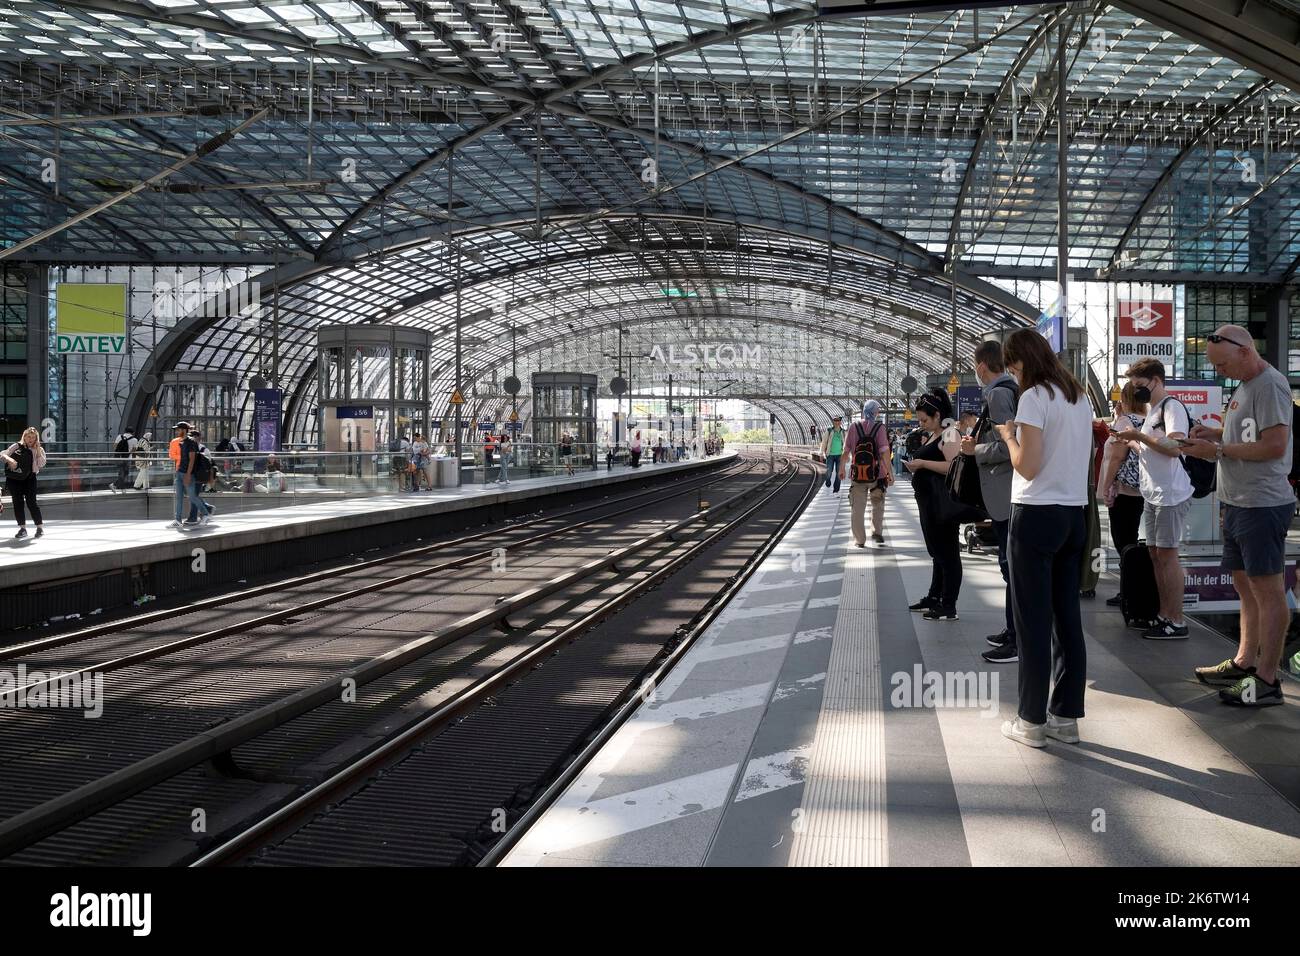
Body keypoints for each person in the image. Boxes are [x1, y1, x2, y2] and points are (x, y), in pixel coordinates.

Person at [1182, 325, 1293, 706]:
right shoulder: (1245, 386)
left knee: (1268, 591)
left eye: (1223, 364)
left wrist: (1216, 452)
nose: (1220, 372)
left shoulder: (1269, 384)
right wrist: (1215, 433)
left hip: (1262, 503)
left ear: (1245, 351)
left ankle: (1267, 679)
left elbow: (1275, 446)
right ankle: (1246, 661)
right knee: (1246, 587)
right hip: (1239, 502)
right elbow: (1249, 433)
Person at [995, 329, 1094, 748]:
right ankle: (1065, 717)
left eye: (1013, 367)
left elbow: (1028, 467)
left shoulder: (1034, 398)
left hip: (1036, 516)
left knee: (1032, 620)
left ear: (1022, 362)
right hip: (1075, 515)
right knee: (1067, 618)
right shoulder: (1079, 397)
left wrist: (1008, 437)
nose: (1013, 376)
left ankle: (1031, 721)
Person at [1114, 358, 1192, 639]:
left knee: (1168, 556)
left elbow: (1175, 446)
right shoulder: (1152, 410)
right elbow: (1152, 450)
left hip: (1170, 494)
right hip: (1153, 492)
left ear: (1156, 381)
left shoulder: (1171, 408)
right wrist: (1131, 441)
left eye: (1140, 385)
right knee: (1155, 554)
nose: (1137, 391)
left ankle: (1176, 619)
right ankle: (1163, 613)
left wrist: (1140, 437)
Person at [962, 340, 1022, 664]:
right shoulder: (1007, 390)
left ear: (982, 365)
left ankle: (1016, 639)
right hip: (1008, 492)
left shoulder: (999, 394)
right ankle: (1012, 629)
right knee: (1008, 566)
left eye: (976, 367)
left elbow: (1009, 447)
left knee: (1009, 566)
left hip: (1005, 492)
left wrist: (976, 451)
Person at [904, 389, 962, 621]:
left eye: (924, 419)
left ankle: (949, 605)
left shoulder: (949, 434)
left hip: (943, 505)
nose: (921, 424)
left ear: (937, 415)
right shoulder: (933, 435)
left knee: (948, 554)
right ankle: (934, 596)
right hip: (930, 504)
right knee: (938, 553)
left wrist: (923, 464)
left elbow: (953, 466)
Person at [1098, 383, 1147, 609]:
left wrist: (1107, 486)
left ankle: (1127, 591)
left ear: (1125, 399)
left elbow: (1117, 458)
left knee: (1122, 542)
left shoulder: (1124, 424)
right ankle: (1131, 590)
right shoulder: (1146, 420)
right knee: (1130, 537)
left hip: (1121, 489)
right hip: (1138, 489)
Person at [843, 400, 893, 545]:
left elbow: (845, 451)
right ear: (876, 412)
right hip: (878, 474)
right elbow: (884, 451)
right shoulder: (880, 428)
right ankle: (876, 532)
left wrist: (841, 468)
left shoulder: (853, 427)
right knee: (878, 504)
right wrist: (890, 472)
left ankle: (859, 540)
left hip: (857, 474)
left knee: (857, 508)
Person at [1, 426, 47, 539]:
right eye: (28, 437)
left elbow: (41, 464)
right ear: (24, 437)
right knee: (18, 503)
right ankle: (23, 529)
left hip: (30, 478)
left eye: (33, 437)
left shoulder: (39, 449)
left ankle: (39, 527)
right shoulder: (16, 446)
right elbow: (2, 454)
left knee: (32, 502)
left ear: (36, 438)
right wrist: (9, 459)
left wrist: (38, 451)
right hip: (14, 479)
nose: (30, 439)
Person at [171, 422, 211, 529]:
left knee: (192, 496)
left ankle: (206, 514)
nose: (177, 431)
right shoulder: (181, 442)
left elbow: (192, 460)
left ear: (184, 430)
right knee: (179, 497)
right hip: (180, 472)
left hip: (187, 473)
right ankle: (178, 520)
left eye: (178, 430)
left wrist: (188, 474)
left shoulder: (191, 443)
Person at [820, 414, 848, 493]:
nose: (837, 422)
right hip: (830, 455)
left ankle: (836, 489)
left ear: (840, 422)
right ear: (833, 422)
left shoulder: (843, 432)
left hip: (840, 455)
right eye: (835, 420)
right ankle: (828, 480)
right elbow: (824, 443)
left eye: (838, 420)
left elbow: (846, 444)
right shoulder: (829, 431)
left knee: (839, 473)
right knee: (829, 471)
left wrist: (846, 455)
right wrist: (821, 453)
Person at [110, 428, 136, 492]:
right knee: (126, 473)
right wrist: (128, 453)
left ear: (125, 431)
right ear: (132, 432)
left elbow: (114, 446)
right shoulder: (135, 440)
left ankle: (114, 485)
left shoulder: (119, 436)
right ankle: (122, 488)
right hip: (128, 458)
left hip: (119, 458)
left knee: (121, 473)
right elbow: (134, 450)